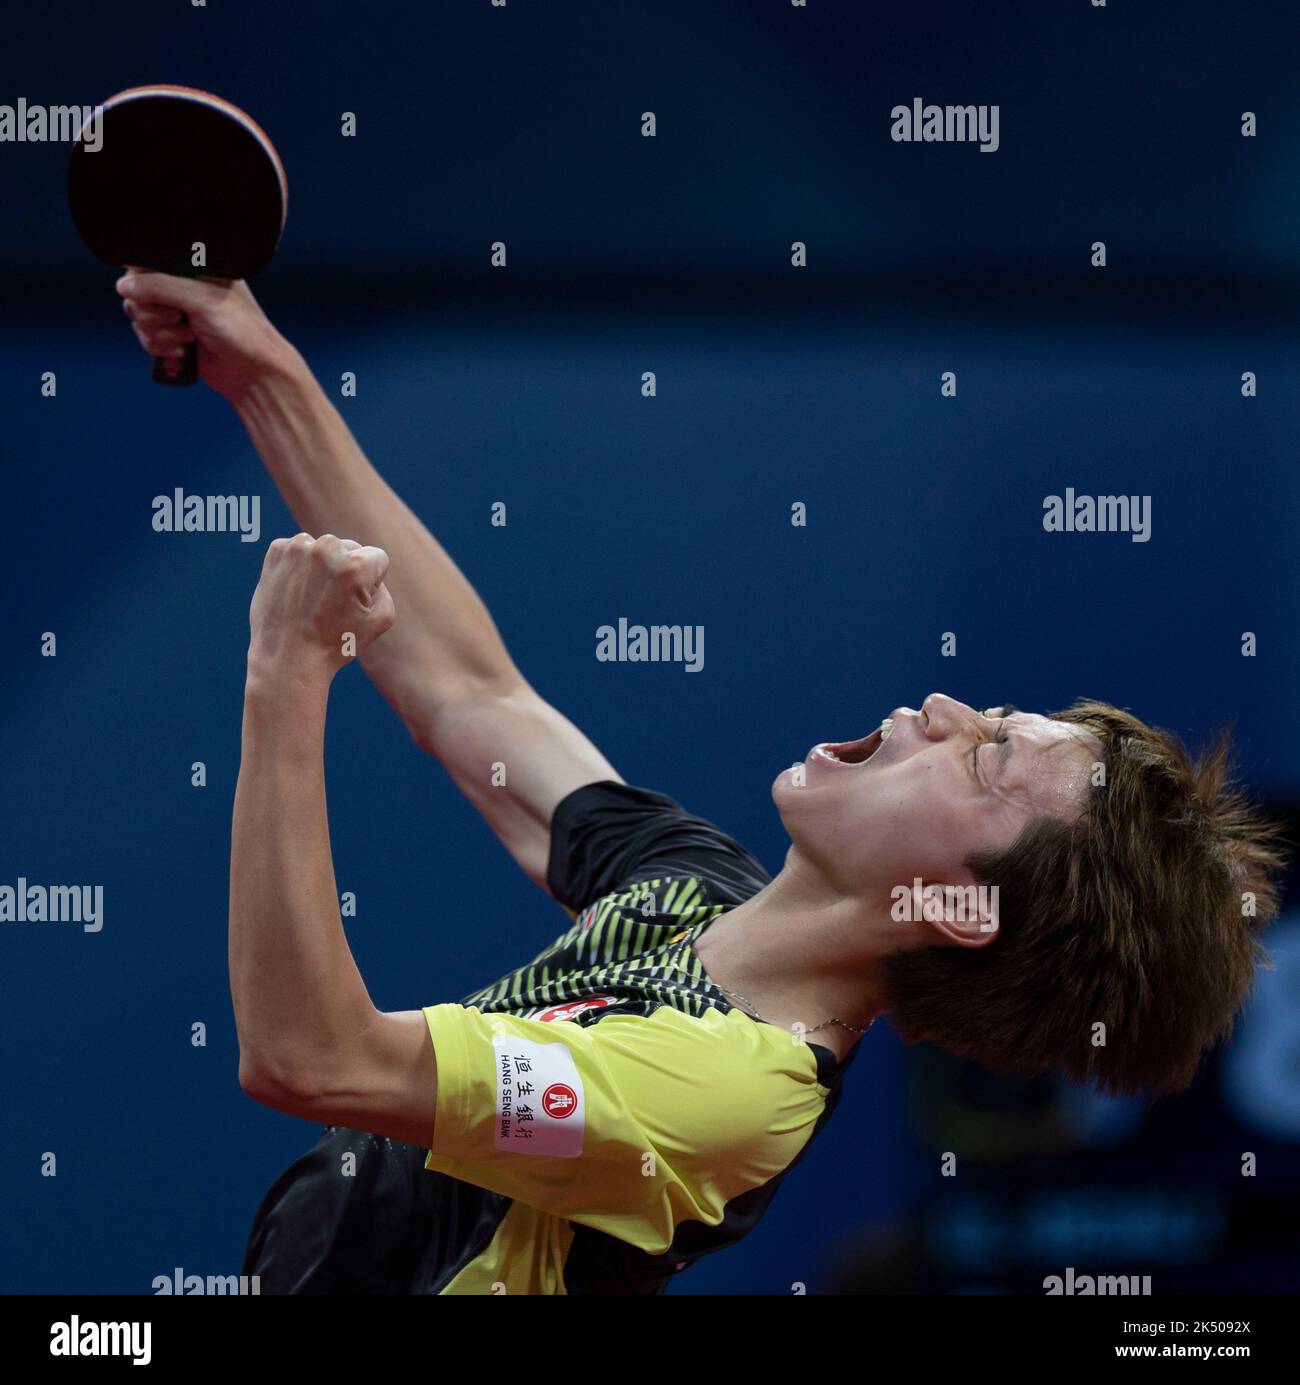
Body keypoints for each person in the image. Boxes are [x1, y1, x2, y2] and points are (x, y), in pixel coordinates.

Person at [115, 273, 1288, 1295]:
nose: (938, 709)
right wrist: (263, 371)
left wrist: (287, 671)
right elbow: (473, 695)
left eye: (981, 753)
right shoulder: (694, 888)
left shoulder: (715, 1095)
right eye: (981, 714)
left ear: (954, 906)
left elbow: (313, 1056)